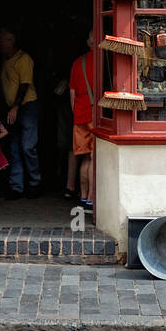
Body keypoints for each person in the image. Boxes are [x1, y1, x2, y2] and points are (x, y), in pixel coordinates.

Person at [0, 26, 40, 199]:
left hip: (27, 106)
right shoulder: (5, 60)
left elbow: (25, 85)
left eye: (2, 40)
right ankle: (17, 187)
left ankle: (35, 184)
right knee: (14, 148)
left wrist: (15, 107)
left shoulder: (24, 59)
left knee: (27, 147)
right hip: (12, 108)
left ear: (10, 42)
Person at [68, 29, 97, 212]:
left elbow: (71, 92)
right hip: (95, 115)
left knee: (85, 157)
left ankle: (83, 197)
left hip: (79, 114)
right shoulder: (103, 62)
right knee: (94, 158)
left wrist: (76, 113)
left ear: (88, 42)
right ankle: (92, 200)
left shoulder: (78, 62)